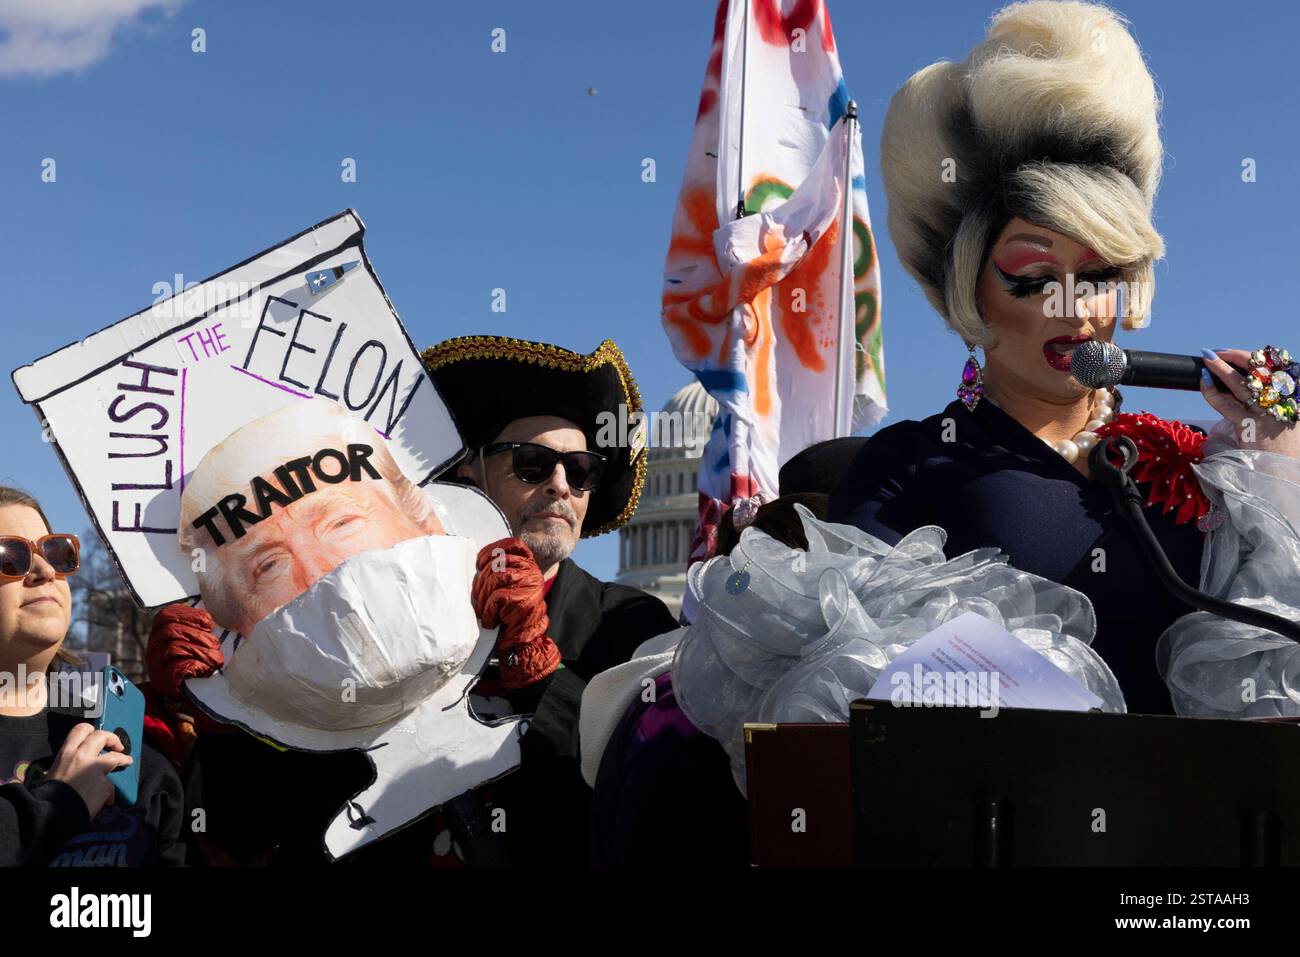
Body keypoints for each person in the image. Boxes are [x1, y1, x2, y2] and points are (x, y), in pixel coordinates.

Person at [827, 1, 1300, 716]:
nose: (1074, 307)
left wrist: (1278, 470)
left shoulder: (1201, 468)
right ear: (971, 291)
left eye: (1101, 274)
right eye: (1034, 277)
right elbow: (857, 687)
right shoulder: (906, 466)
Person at [421, 335, 679, 865]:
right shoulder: (399, 599)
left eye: (581, 470)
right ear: (471, 470)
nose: (561, 486)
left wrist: (541, 670)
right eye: (533, 463)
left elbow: (643, 780)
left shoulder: (631, 626)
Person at [0, 486, 184, 866]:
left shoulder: (127, 741)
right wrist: (59, 803)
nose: (45, 571)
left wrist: (221, 726)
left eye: (55, 551)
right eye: (9, 556)